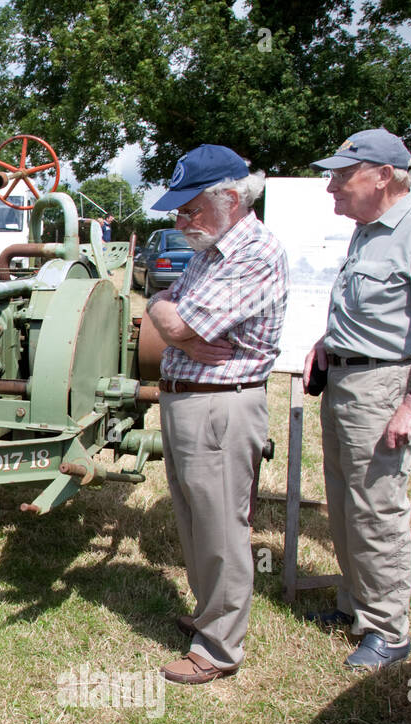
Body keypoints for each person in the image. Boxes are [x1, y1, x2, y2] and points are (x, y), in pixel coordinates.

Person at [303, 128, 411, 670]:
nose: (331, 188)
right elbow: (375, 309)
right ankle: (356, 607)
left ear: (383, 175)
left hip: (384, 386)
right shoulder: (369, 228)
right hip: (347, 381)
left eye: (343, 176)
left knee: (377, 508)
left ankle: (389, 632)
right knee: (345, 503)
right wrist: (329, 343)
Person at [144, 144, 289, 684]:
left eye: (191, 208)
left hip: (220, 405)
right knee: (193, 516)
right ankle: (209, 616)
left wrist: (171, 319)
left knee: (221, 524)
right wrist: (168, 313)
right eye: (180, 211)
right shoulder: (211, 249)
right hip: (189, 397)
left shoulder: (254, 251)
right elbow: (161, 304)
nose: (182, 221)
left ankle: (220, 648)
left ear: (231, 197)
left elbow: (175, 325)